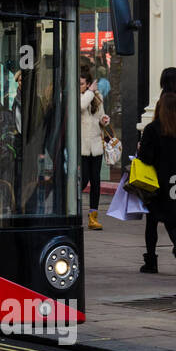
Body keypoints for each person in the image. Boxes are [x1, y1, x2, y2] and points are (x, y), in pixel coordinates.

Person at [138, 89, 176, 275]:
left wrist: (142, 149)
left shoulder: (153, 129)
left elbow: (146, 157)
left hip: (158, 180)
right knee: (172, 221)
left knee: (152, 221)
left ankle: (151, 261)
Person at [80, 69, 108, 230]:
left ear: (89, 83)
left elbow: (101, 118)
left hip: (96, 146)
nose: (80, 86)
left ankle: (93, 216)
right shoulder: (79, 96)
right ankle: (72, 208)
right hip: (82, 147)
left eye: (83, 84)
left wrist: (105, 120)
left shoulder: (97, 97)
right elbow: (82, 106)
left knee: (96, 181)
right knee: (83, 180)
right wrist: (90, 92)